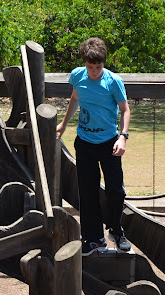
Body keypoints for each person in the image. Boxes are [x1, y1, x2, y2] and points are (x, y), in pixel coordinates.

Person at [57, 37, 132, 256]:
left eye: (98, 67)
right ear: (84, 63)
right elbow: (74, 99)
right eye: (90, 67)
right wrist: (63, 124)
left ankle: (116, 231)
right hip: (85, 143)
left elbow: (125, 110)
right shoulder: (77, 76)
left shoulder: (113, 81)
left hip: (110, 143)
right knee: (88, 192)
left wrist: (123, 137)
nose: (94, 71)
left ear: (103, 64)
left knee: (115, 190)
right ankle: (93, 239)